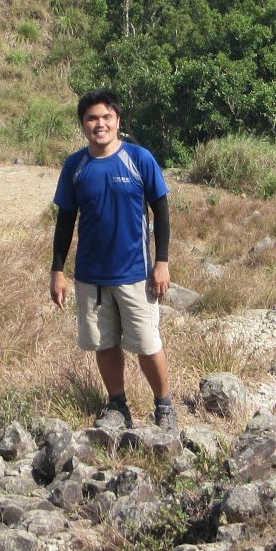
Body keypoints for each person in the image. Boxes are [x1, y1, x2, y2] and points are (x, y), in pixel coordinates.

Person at [49, 88, 176, 430]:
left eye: (106, 117)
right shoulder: (75, 166)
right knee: (103, 344)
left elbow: (161, 211)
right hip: (91, 277)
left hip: (136, 273)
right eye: (92, 118)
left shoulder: (138, 158)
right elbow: (65, 220)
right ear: (83, 125)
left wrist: (161, 262)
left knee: (147, 345)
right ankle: (117, 405)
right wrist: (57, 270)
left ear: (118, 121)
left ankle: (164, 407)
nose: (100, 124)